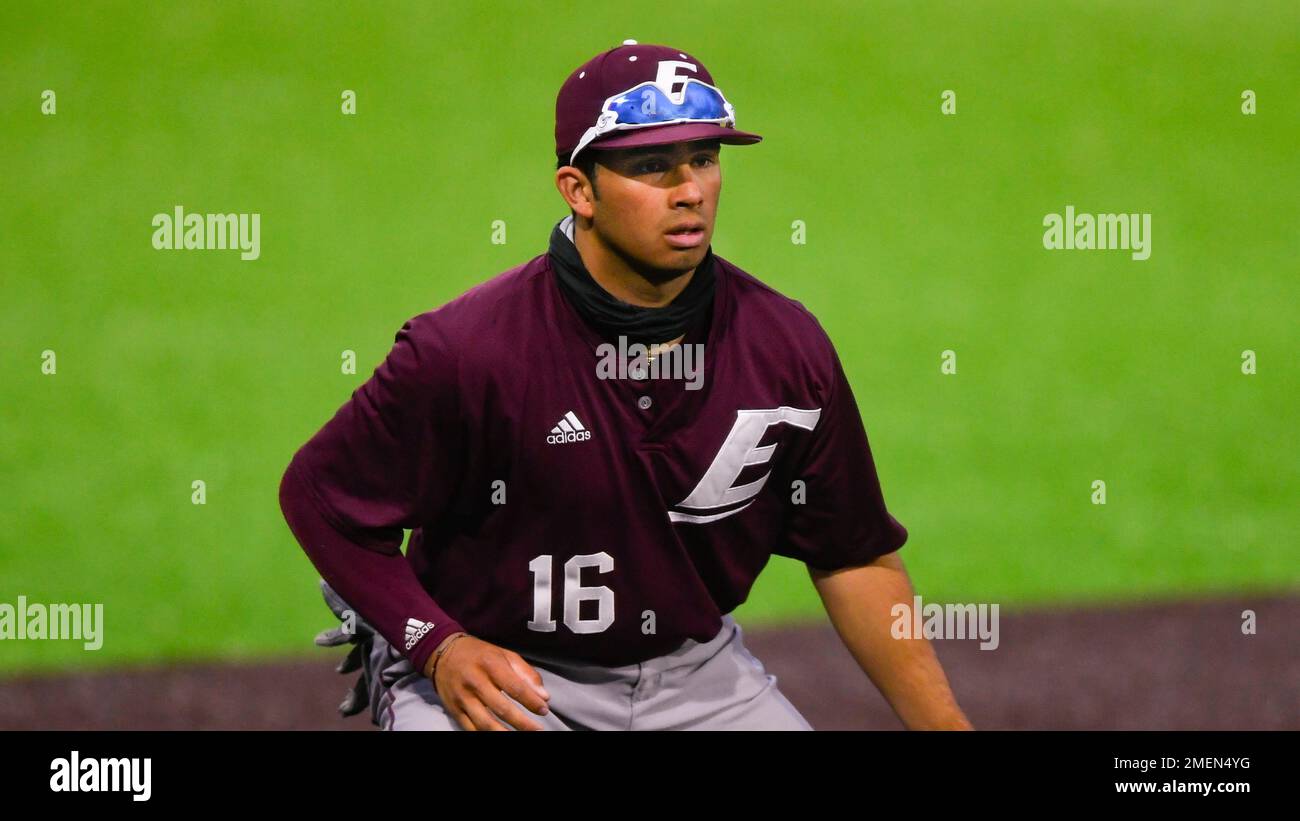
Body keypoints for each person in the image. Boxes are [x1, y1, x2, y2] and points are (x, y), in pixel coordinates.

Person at [280, 39, 972, 731]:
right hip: (495, 667)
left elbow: (853, 555)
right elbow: (318, 494)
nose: (691, 189)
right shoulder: (469, 349)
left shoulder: (783, 347)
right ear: (579, 190)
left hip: (695, 674)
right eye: (651, 166)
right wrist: (430, 640)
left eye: (703, 158)